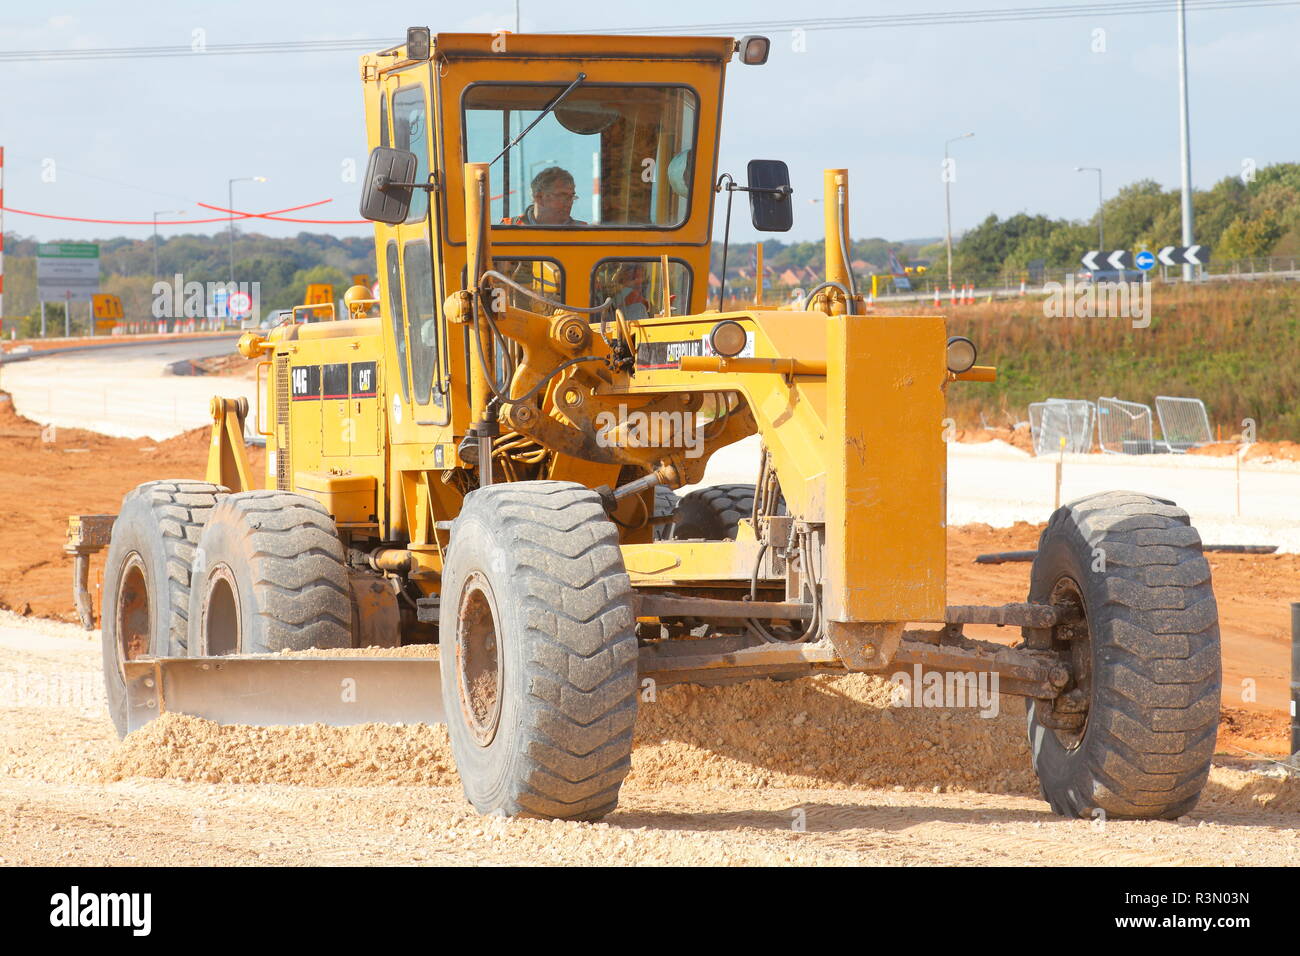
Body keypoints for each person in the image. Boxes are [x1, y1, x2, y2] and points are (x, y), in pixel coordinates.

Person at [503, 166, 587, 225]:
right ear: (539, 197)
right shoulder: (507, 228)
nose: (569, 203)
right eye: (562, 196)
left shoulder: (585, 232)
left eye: (571, 197)